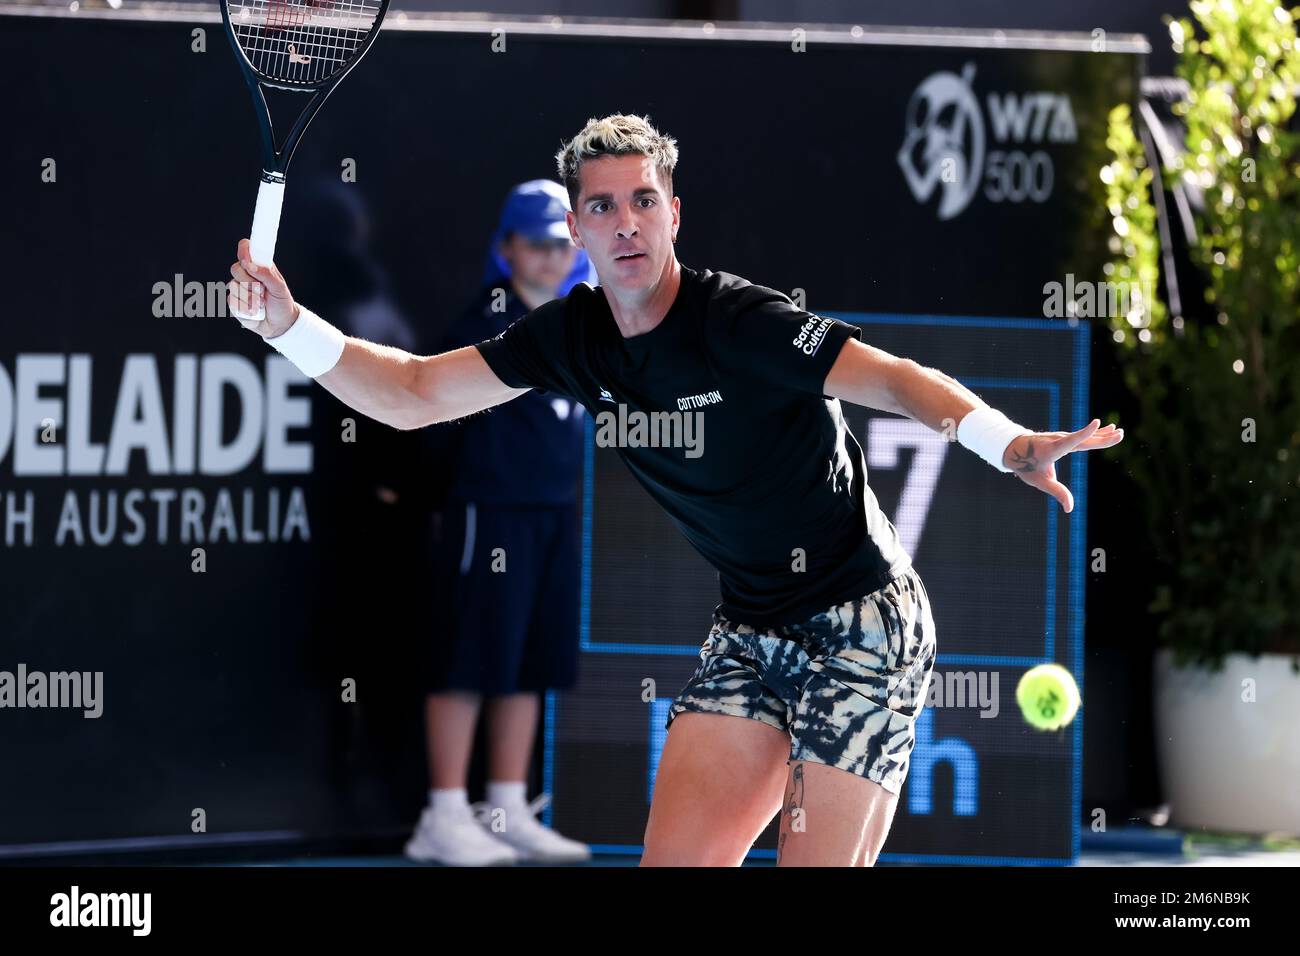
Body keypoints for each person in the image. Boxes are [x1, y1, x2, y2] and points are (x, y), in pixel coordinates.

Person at [227, 113, 1124, 867]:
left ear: (674, 215)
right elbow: (416, 394)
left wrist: (1005, 441)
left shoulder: (741, 322)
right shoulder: (568, 337)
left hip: (866, 630)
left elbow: (891, 379)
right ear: (576, 231)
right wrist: (286, 327)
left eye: (644, 201)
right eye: (603, 207)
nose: (626, 223)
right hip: (750, 630)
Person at [405, 180, 593, 866]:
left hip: (553, 517)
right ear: (507, 247)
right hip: (486, 518)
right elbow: (431, 420)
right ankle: (443, 814)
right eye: (536, 244)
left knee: (527, 665)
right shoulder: (482, 321)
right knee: (466, 659)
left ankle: (505, 806)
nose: (549, 258)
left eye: (560, 244)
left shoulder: (583, 319)